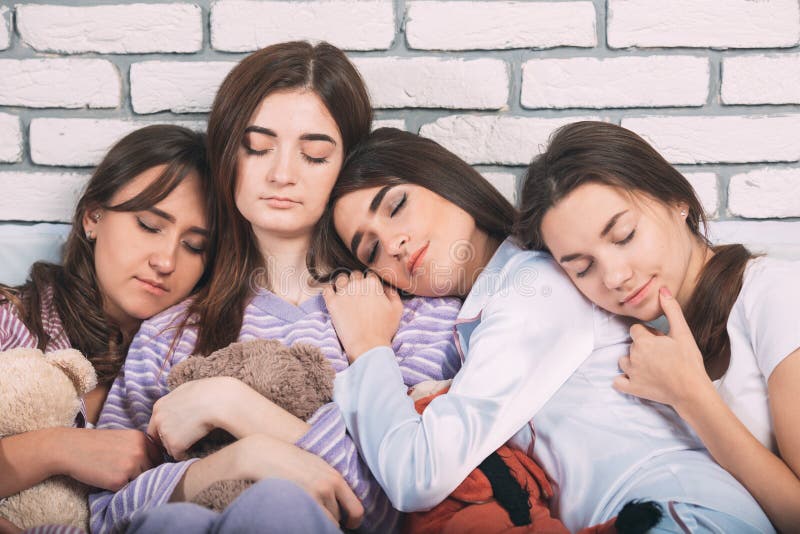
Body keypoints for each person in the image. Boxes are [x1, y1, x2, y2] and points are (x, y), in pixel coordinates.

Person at [320, 127, 774, 533]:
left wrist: (368, 346)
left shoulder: (533, 286)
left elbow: (417, 474)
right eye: (371, 248)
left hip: (681, 515)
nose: (393, 244)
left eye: (397, 206)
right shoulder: (492, 309)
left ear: (445, 180)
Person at [89, 42, 461, 534]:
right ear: (227, 153)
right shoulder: (168, 331)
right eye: (258, 147)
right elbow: (104, 513)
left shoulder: (407, 316)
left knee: (278, 510)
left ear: (347, 164)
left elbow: (394, 508)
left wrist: (232, 406)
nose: (282, 174)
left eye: (314, 154)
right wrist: (231, 463)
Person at [515, 120, 800, 532]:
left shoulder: (775, 295)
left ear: (677, 200)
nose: (613, 277)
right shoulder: (637, 348)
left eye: (624, 235)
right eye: (583, 268)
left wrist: (690, 397)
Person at [0, 124, 214, 529]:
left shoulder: (193, 360)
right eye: (150, 225)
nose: (166, 261)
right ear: (92, 217)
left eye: (194, 246)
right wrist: (56, 448)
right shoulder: (12, 323)